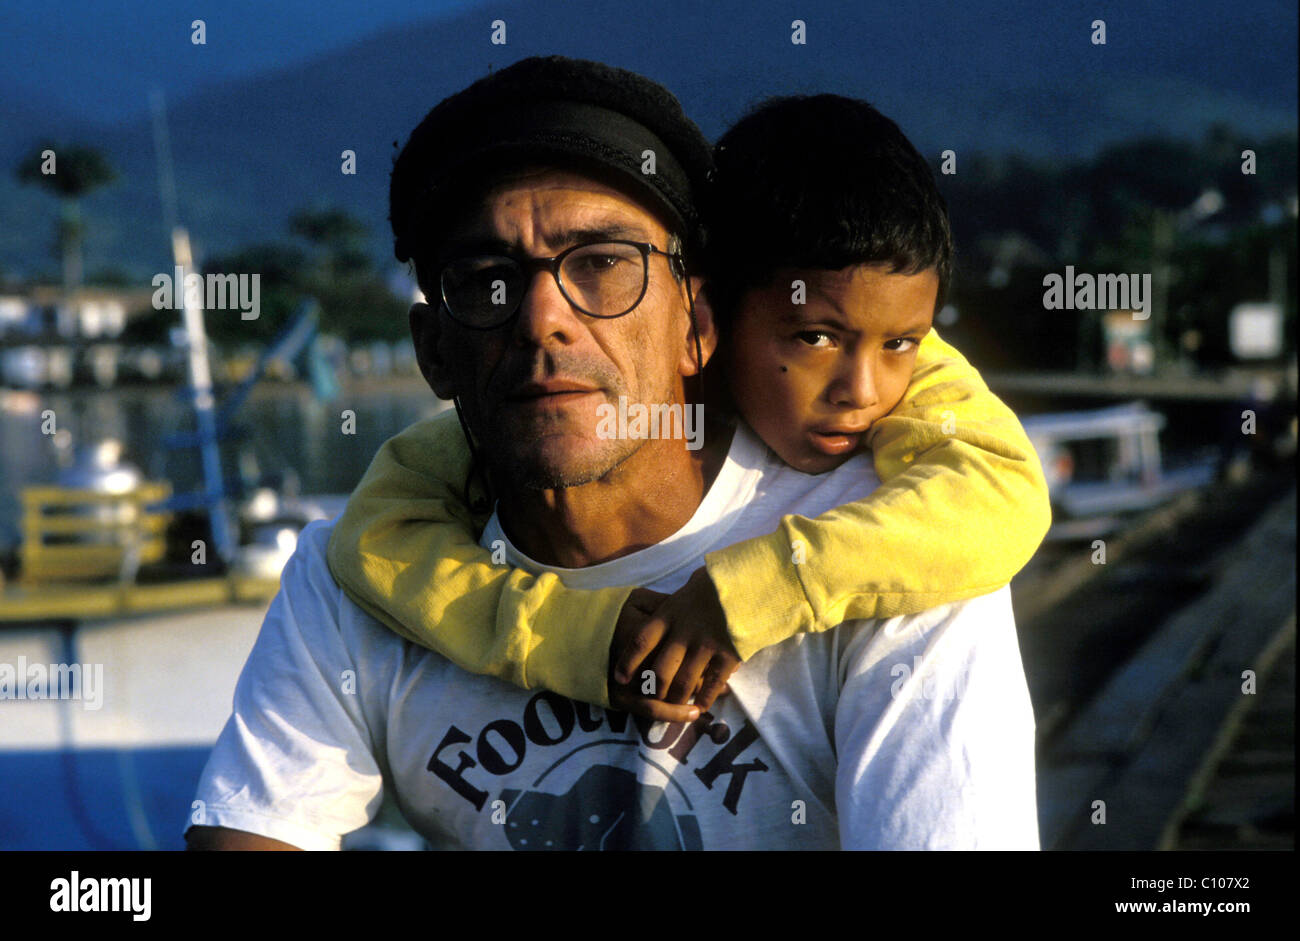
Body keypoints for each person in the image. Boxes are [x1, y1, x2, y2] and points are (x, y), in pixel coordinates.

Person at [187, 56, 1040, 850]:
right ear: (433, 351)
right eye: (487, 278)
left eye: (601, 264)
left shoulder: (896, 552)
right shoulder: (360, 577)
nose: (542, 318)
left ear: (698, 321)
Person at [325, 94, 1051, 722]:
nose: (861, 390)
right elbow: (377, 541)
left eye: (900, 341)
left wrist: (747, 593)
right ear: (708, 312)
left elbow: (1005, 491)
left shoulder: (903, 371)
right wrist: (577, 636)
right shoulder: (549, 413)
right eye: (813, 336)